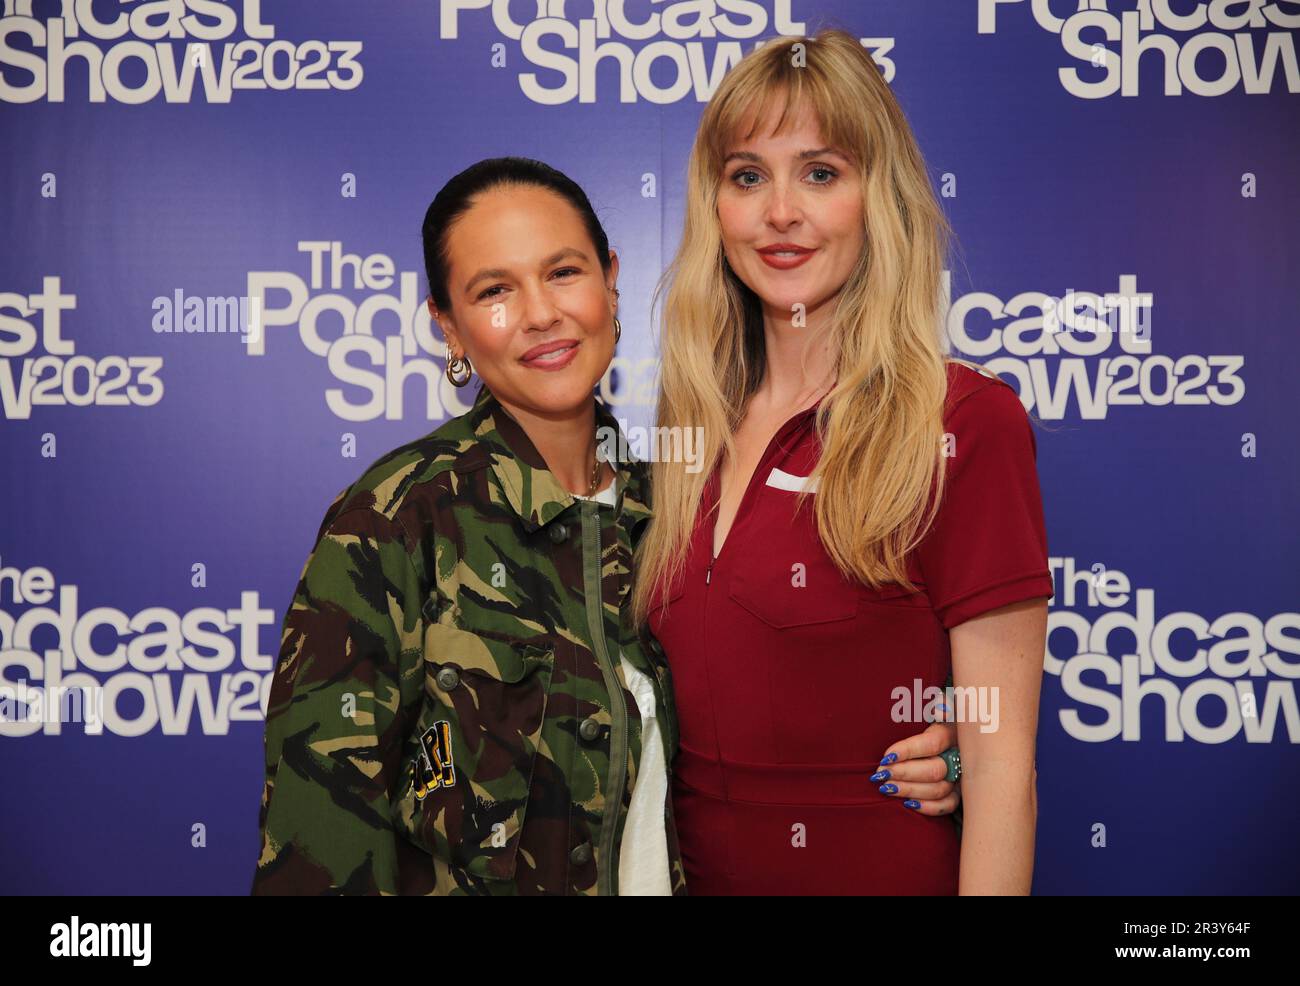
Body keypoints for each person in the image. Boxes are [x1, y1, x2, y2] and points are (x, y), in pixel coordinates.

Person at [251, 154, 961, 895]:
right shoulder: (393, 520)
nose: (539, 314)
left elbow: (798, 688)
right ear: (448, 327)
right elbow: (316, 839)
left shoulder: (683, 507)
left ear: (610, 279)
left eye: (563, 273)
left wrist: (950, 750)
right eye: (494, 290)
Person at [632, 29, 1052, 895]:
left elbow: (1004, 773)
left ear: (877, 197)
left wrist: (960, 756)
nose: (780, 212)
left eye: (820, 172)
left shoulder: (965, 423)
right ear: (715, 205)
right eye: (748, 176)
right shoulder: (689, 425)